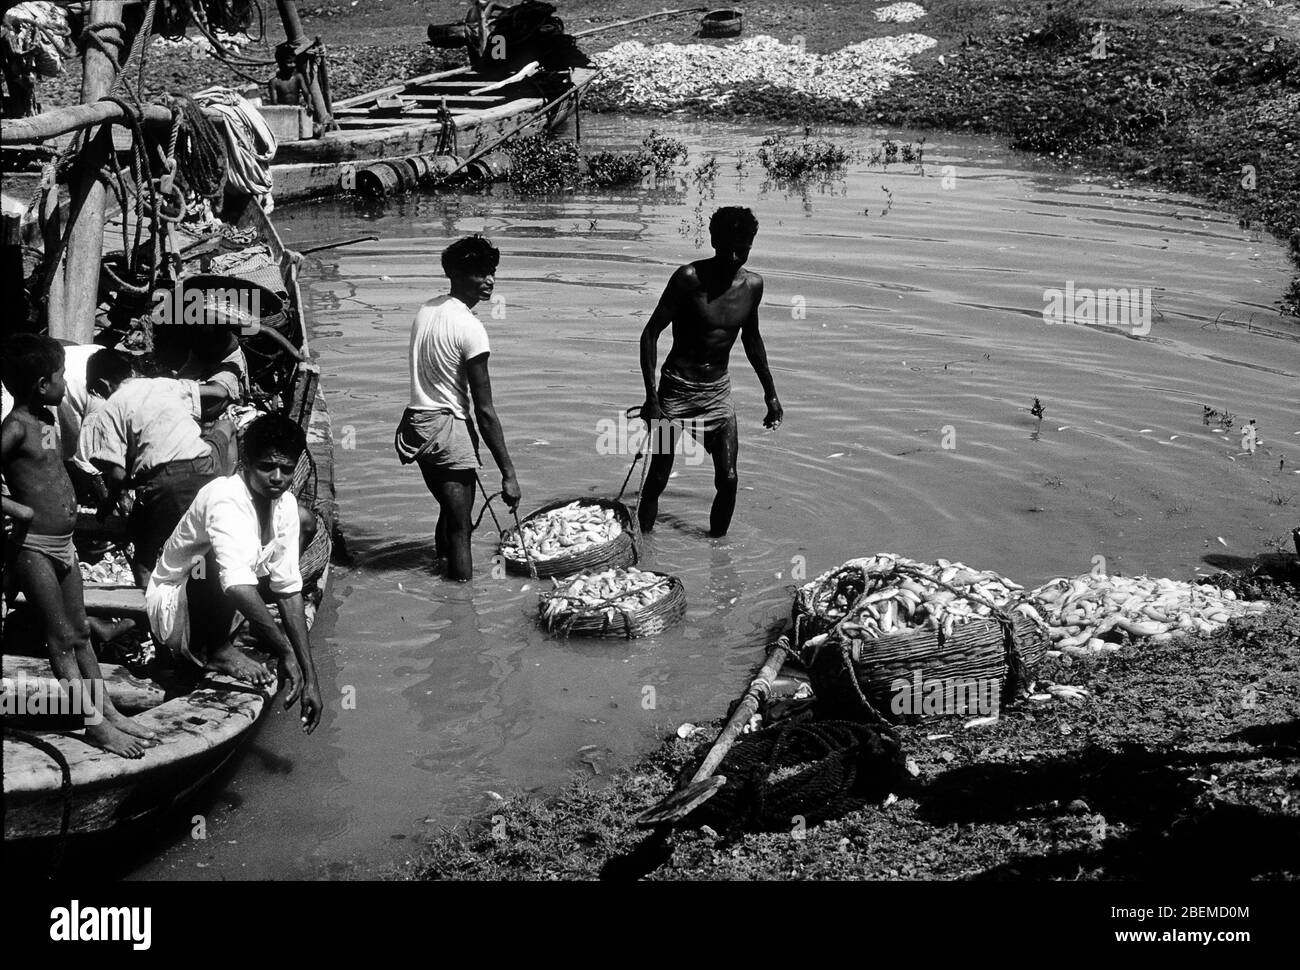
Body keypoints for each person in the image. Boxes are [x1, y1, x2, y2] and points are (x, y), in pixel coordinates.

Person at [1, 334, 156, 758]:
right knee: (60, 638)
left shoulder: (46, 420)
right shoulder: (14, 427)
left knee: (82, 632)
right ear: (39, 383)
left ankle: (107, 711)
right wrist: (20, 510)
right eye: (59, 376)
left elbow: (53, 466)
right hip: (34, 548)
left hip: (65, 543)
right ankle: (94, 726)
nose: (65, 381)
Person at [145, 414, 322, 732]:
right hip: (178, 607)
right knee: (212, 562)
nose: (278, 478)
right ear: (246, 463)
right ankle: (216, 650)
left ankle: (234, 631)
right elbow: (238, 585)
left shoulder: (284, 504)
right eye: (268, 467)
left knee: (302, 524)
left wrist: (310, 674)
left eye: (286, 469)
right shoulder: (225, 497)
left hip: (226, 597)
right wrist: (283, 650)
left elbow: (288, 588)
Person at [638, 206, 783, 537]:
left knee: (728, 478)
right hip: (674, 392)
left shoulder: (752, 286)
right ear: (716, 242)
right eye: (730, 247)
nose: (736, 255)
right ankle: (644, 549)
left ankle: (718, 554)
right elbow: (650, 334)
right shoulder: (688, 279)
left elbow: (753, 340)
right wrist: (652, 398)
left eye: (743, 248)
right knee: (658, 477)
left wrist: (770, 394)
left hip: (717, 393)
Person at [395, 235, 521, 580]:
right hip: (447, 430)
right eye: (480, 273)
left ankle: (441, 574)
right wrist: (508, 475)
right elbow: (485, 410)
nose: (489, 281)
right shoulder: (471, 328)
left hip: (416, 426)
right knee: (462, 527)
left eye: (491, 272)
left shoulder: (427, 309)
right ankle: (462, 603)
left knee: (449, 513)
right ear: (456, 275)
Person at [83, 360, 235, 586]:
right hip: (206, 468)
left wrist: (110, 502)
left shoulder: (110, 408)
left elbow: (117, 475)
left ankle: (149, 616)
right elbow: (216, 397)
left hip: (167, 481)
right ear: (131, 372)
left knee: (144, 558)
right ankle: (228, 484)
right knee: (227, 427)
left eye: (97, 392)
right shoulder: (164, 384)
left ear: (104, 384)